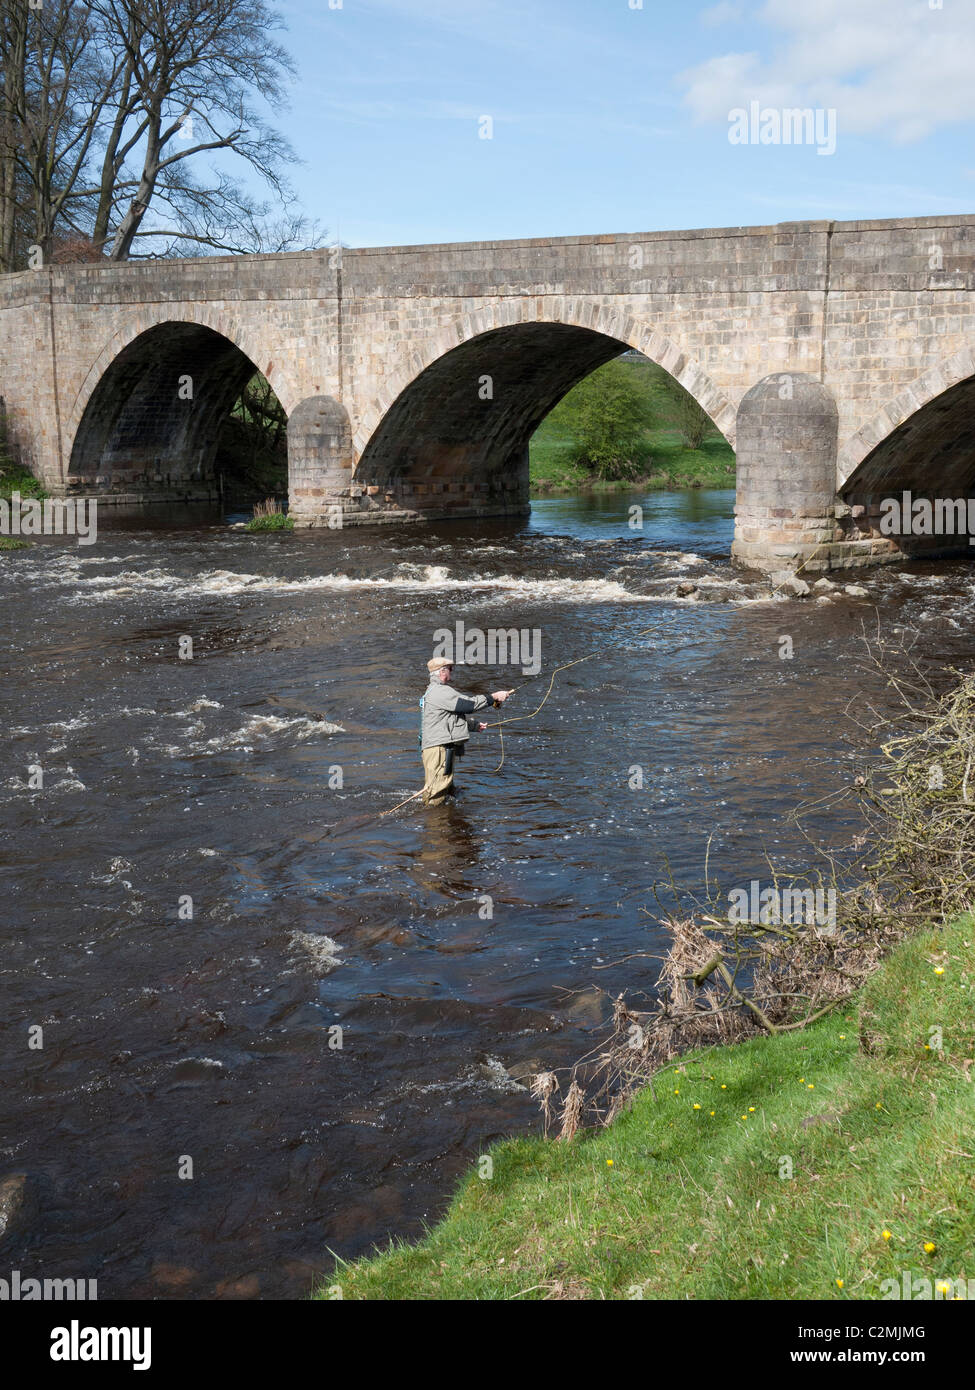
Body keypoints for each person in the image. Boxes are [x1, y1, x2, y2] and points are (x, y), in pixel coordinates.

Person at [420, 657, 512, 804]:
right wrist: (493, 697)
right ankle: (435, 824)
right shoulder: (440, 691)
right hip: (439, 750)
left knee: (447, 789)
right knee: (436, 793)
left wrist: (474, 726)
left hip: (438, 748)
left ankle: (443, 819)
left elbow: (447, 717)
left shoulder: (434, 691)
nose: (452, 672)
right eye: (450, 669)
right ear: (442, 672)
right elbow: (468, 705)